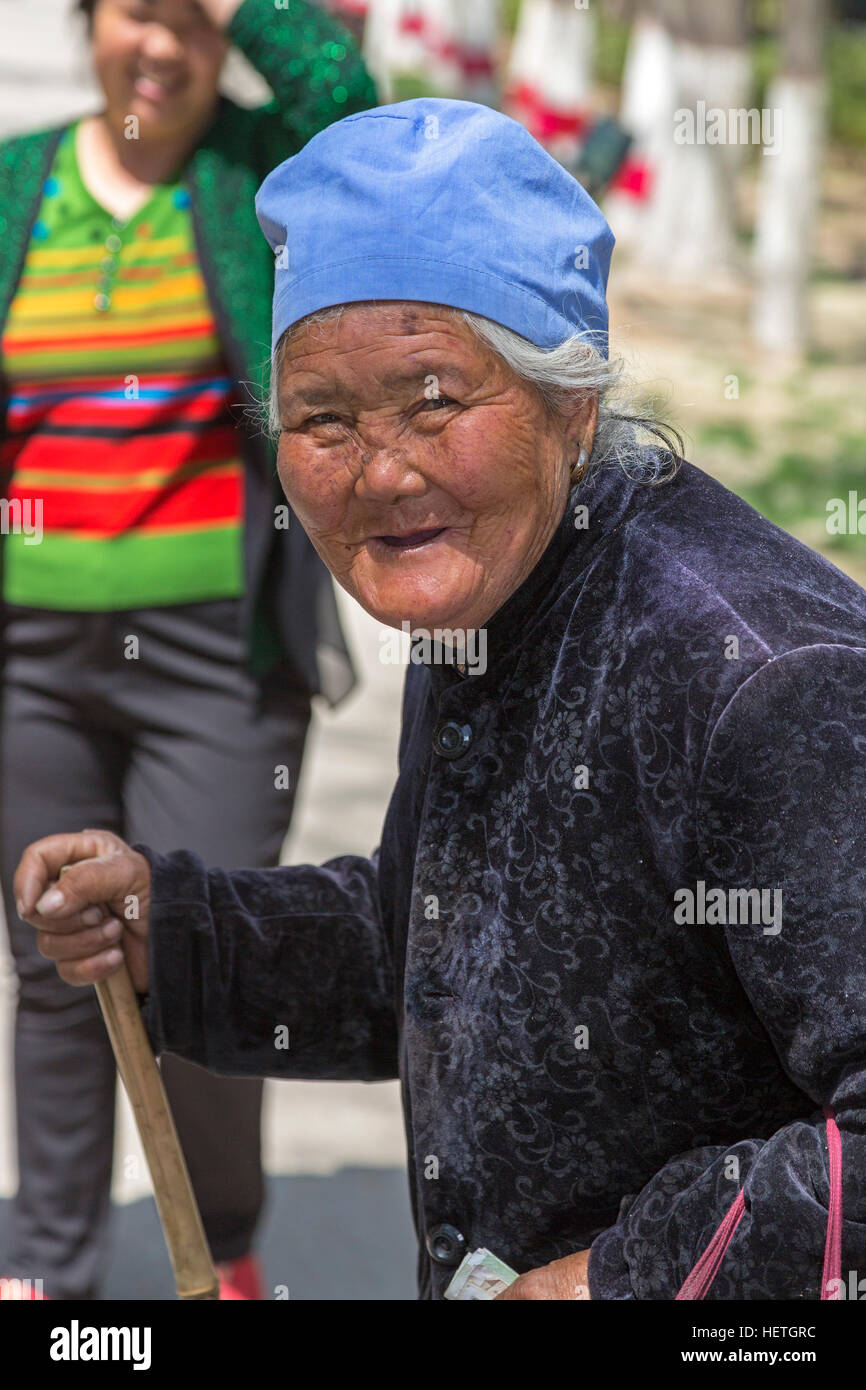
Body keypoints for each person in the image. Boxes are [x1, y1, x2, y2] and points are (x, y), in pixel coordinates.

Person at [15, 97, 866, 1300]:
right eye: (321, 420)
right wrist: (178, 933)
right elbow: (440, 949)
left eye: (432, 398)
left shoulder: (758, 678)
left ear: (568, 399)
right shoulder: (486, 591)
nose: (381, 471)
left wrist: (608, 1282)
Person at [0, 0, 376, 1300]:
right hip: (29, 654)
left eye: (190, 22)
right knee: (55, 959)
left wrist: (252, 4)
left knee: (202, 952)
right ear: (86, 23)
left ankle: (218, 1248)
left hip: (217, 659)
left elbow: (355, 113)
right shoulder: (18, 183)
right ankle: (48, 1271)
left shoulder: (255, 177)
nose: (159, 47)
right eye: (134, 14)